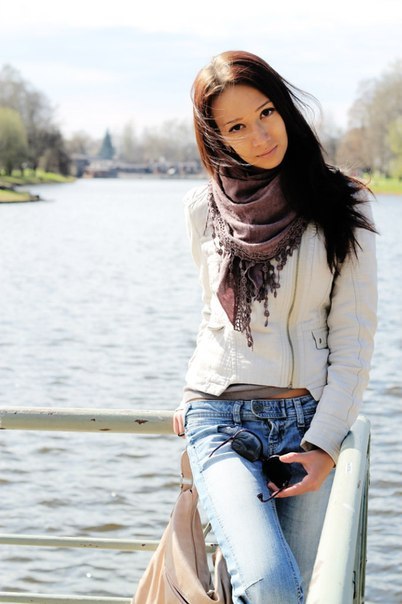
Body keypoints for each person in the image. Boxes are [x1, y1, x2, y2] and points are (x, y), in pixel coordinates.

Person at [173, 50, 377, 604]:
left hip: (305, 423)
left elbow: (354, 339)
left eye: (266, 113)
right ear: (217, 138)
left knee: (295, 590)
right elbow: (212, 316)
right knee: (272, 583)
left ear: (285, 108)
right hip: (219, 418)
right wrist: (191, 394)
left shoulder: (344, 202)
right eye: (237, 127)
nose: (261, 136)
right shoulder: (201, 208)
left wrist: (325, 444)